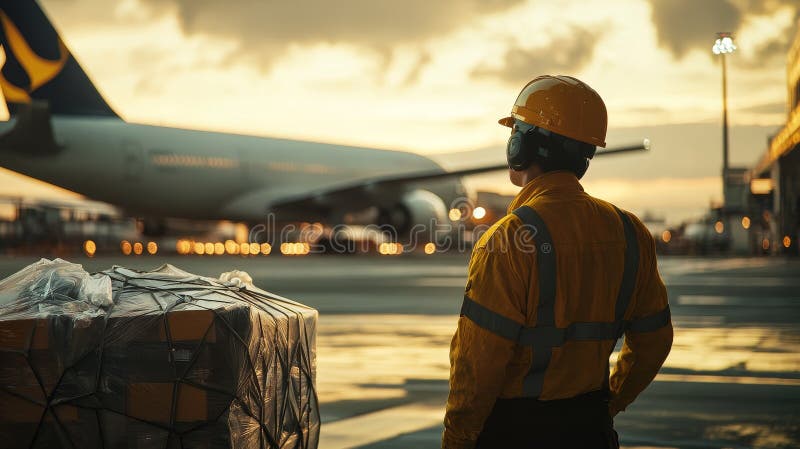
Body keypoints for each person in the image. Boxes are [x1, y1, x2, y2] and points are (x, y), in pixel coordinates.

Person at [442, 75, 673, 449]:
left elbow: (477, 366)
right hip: (591, 430)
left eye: (515, 131)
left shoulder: (507, 239)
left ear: (524, 145)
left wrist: (457, 441)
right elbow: (655, 341)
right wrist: (609, 403)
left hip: (516, 433)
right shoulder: (631, 232)